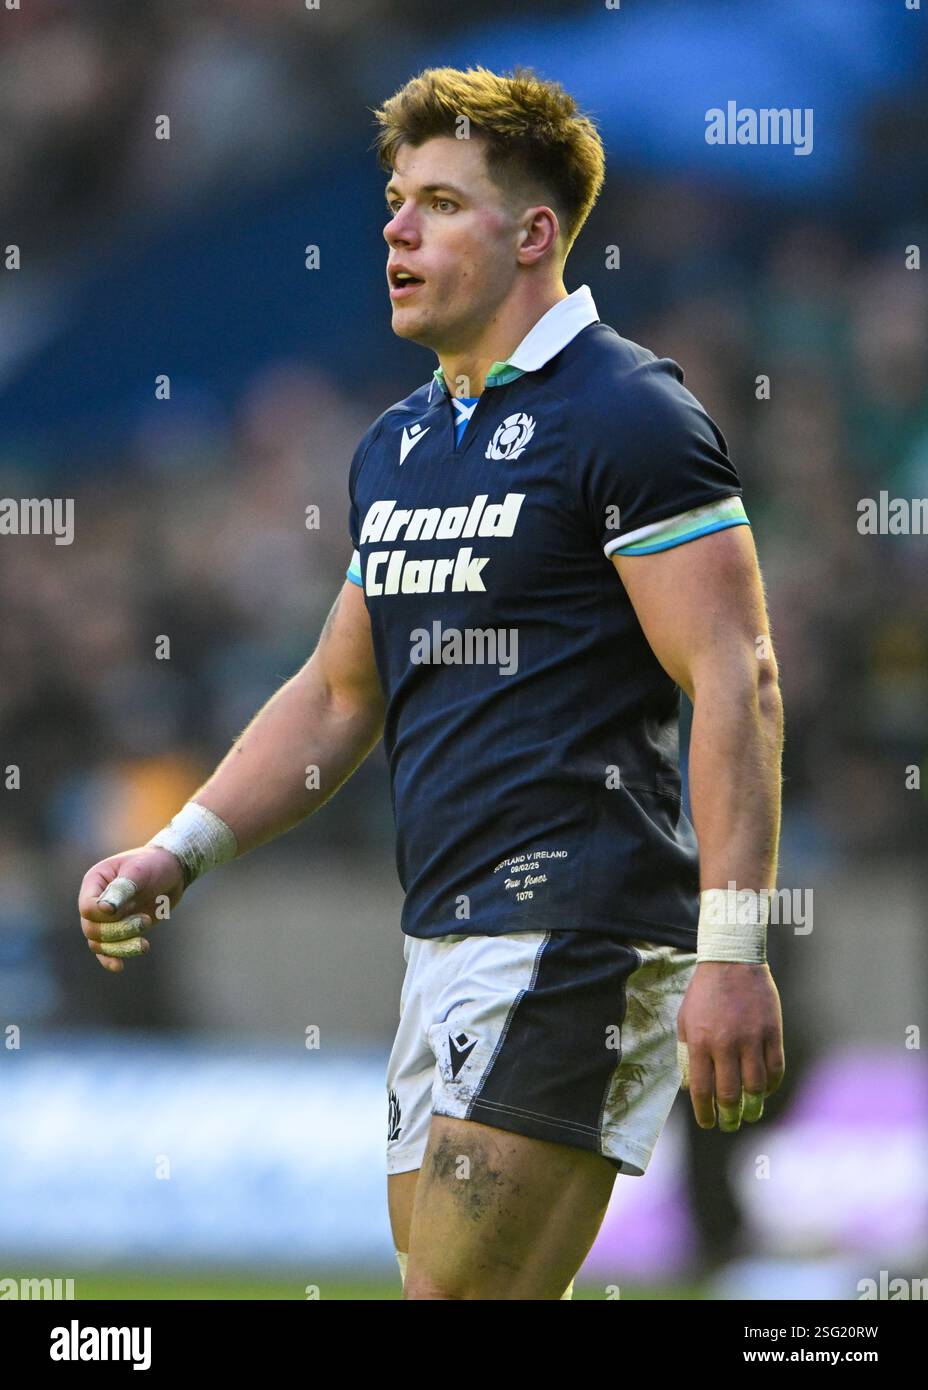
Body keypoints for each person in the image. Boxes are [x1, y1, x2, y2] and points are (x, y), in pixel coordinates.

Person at [78, 65, 785, 1301]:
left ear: (532, 235)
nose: (395, 230)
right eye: (397, 201)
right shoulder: (399, 443)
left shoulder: (628, 413)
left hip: (578, 925)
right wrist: (177, 847)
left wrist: (734, 948)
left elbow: (738, 678)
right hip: (446, 935)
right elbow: (339, 691)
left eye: (439, 203)